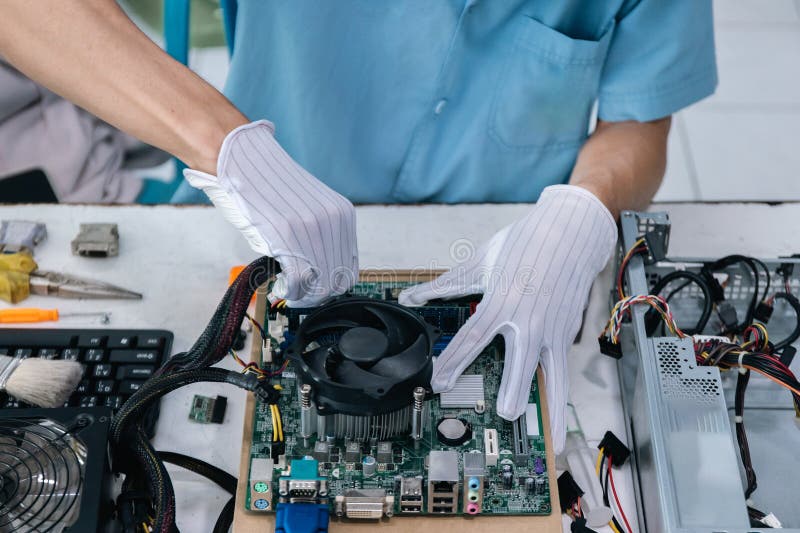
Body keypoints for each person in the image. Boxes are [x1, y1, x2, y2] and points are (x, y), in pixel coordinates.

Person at [0, 1, 716, 451]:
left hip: (507, 258)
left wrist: (584, 208)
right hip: (255, 227)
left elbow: (640, 122)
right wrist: (219, 139)